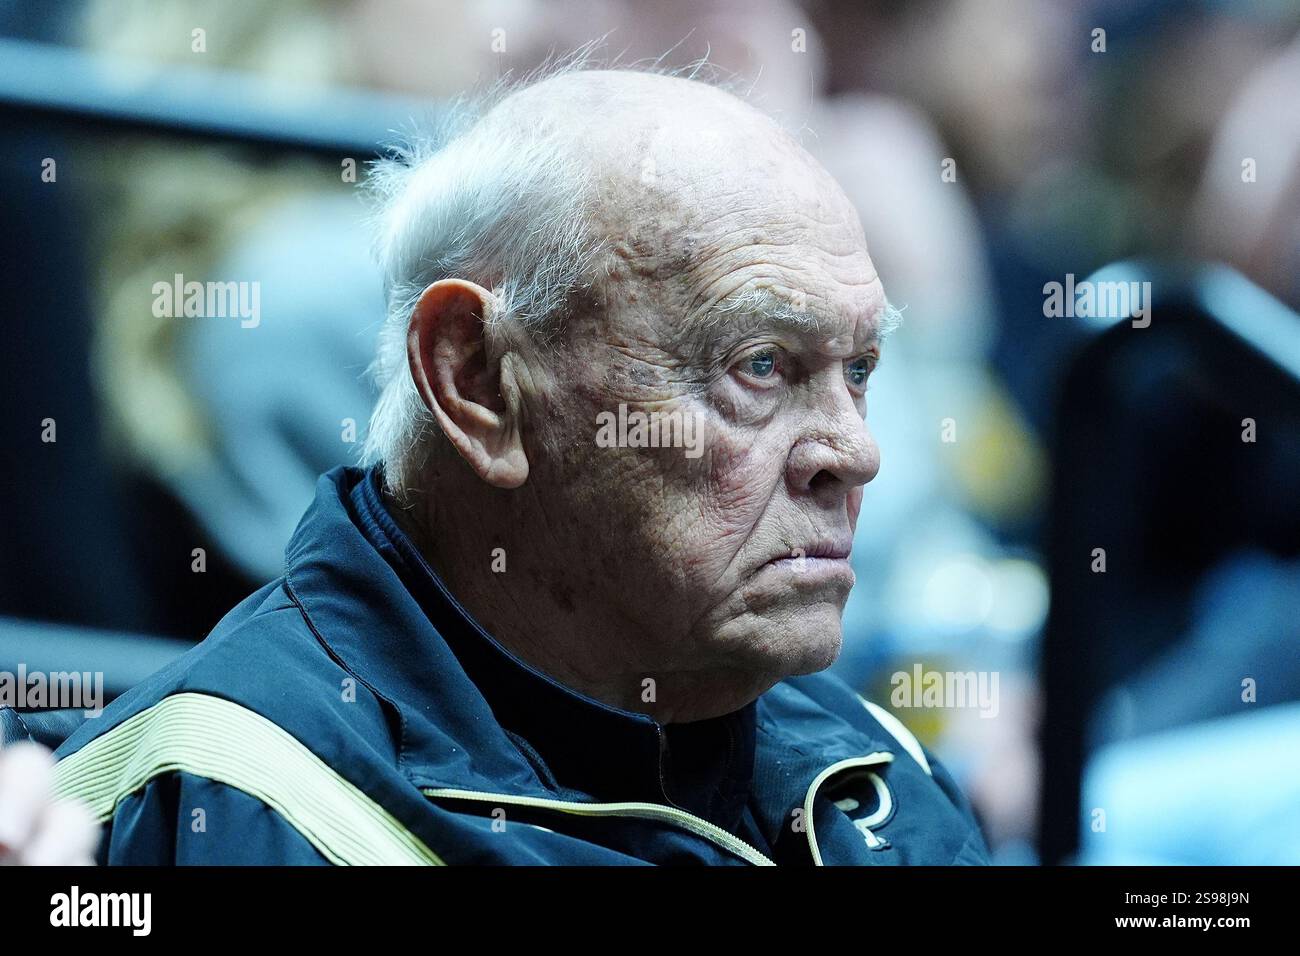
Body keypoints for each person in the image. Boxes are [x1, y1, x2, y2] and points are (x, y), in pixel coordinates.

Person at [52, 65, 990, 865]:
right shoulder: (226, 807)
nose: (856, 454)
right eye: (759, 366)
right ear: (477, 380)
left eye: (859, 370)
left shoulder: (871, 763)